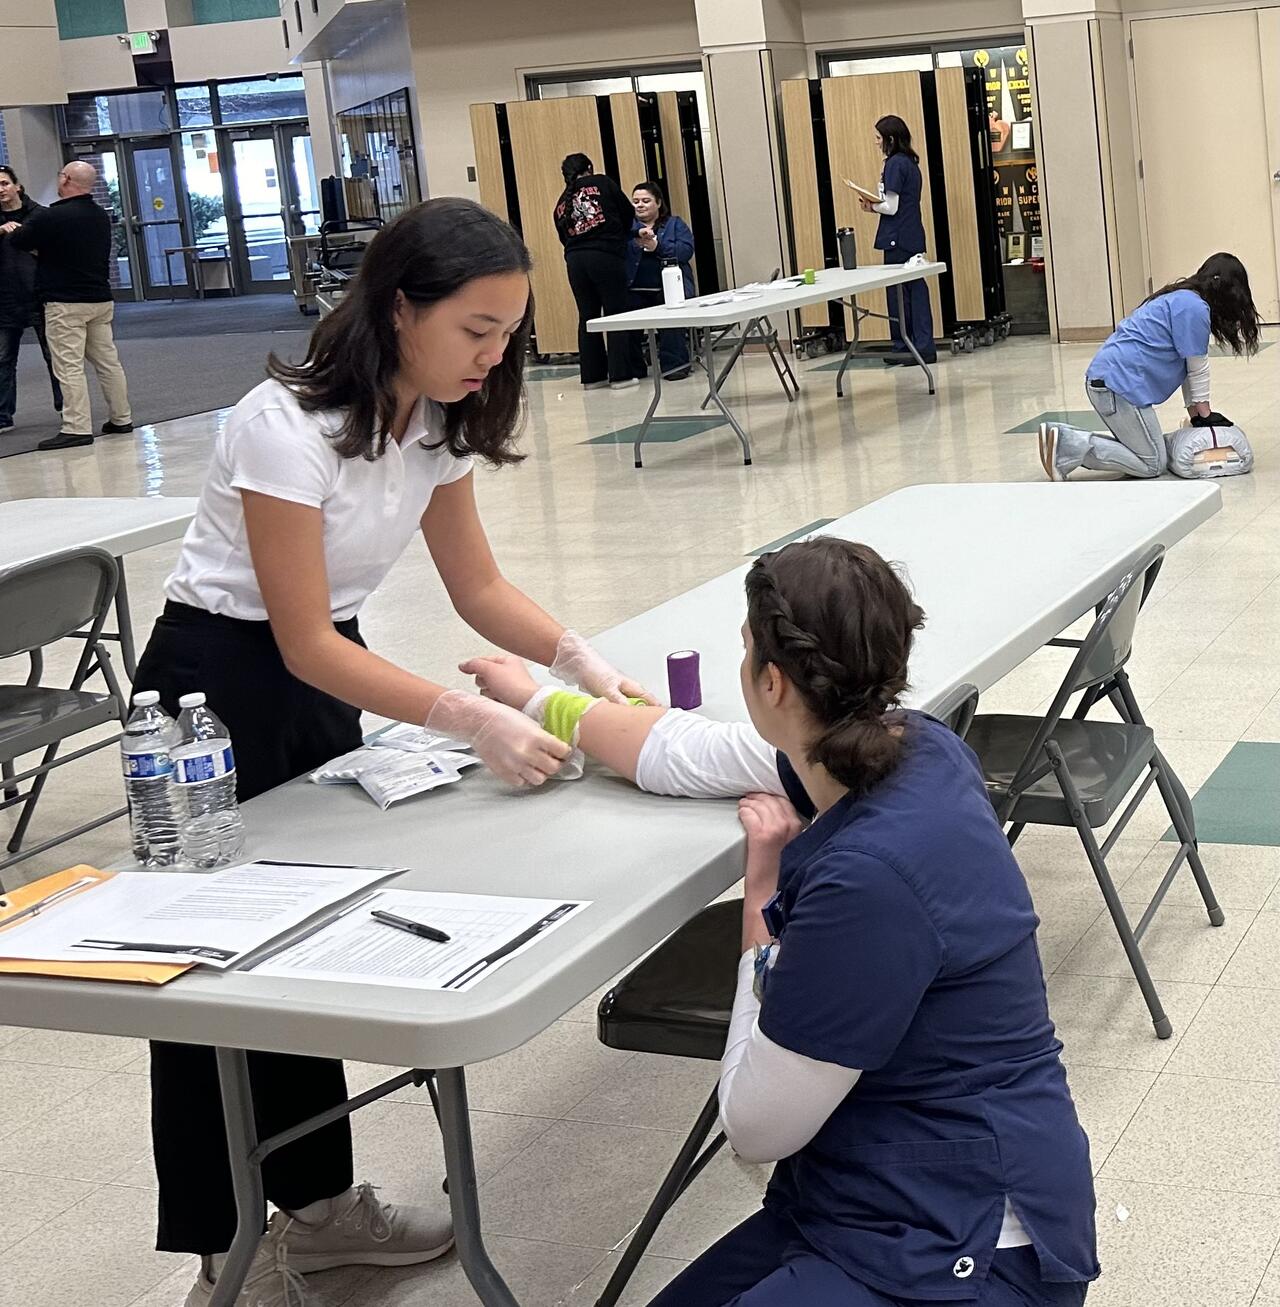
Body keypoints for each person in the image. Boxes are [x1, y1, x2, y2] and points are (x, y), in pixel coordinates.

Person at [129, 197, 652, 1307]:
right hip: (213, 688)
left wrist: (576, 659)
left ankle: (318, 1209)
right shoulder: (281, 425)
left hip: (316, 676)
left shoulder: (435, 418)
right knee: (209, 970)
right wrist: (472, 718)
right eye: (476, 328)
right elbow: (302, 639)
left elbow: (477, 586)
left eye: (509, 332)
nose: (493, 354)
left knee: (308, 940)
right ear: (401, 308)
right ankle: (222, 1254)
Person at [464, 537, 1100, 1307]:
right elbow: (679, 752)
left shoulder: (867, 880)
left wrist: (758, 904)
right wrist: (540, 698)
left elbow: (756, 1126)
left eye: (745, 650)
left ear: (771, 680)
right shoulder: (918, 745)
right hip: (884, 1183)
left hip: (968, 1243)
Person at [1038, 251, 1261, 481]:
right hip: (1119, 387)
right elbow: (1198, 368)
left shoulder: (1181, 298)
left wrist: (1196, 414)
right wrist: (1205, 413)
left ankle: (1065, 441)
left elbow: (1187, 367)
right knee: (1152, 463)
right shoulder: (1194, 308)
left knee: (1148, 453)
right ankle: (1066, 445)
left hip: (1111, 381)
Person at [7, 159, 132, 450]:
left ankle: (77, 427)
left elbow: (20, 241)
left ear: (65, 179)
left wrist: (13, 230)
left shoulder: (51, 216)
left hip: (65, 303)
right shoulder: (99, 215)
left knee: (68, 367)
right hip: (100, 299)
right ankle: (121, 417)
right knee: (108, 362)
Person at [553, 152, 638, 390]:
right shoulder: (602, 182)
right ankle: (620, 376)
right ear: (589, 167)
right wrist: (621, 235)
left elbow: (563, 236)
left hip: (575, 262)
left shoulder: (560, 204)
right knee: (616, 312)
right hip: (605, 255)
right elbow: (627, 212)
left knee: (587, 317)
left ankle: (592, 377)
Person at [857, 114, 935, 366]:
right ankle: (921, 345)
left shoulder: (894, 164)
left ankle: (906, 346)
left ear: (890, 139)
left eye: (878, 138)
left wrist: (871, 206)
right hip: (911, 234)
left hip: (898, 238)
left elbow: (891, 207)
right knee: (915, 290)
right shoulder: (910, 163)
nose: (876, 142)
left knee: (899, 295)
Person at [0, 164, 63, 433]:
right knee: (3, 358)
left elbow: (58, 250)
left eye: (4, 183)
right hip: (4, 298)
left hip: (40, 294)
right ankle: (3, 415)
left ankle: (67, 407)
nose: (0, 190)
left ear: (17, 186)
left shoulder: (40, 215)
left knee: (54, 355)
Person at [626, 179, 695, 380]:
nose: (640, 205)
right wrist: (636, 244)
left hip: (668, 288)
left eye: (645, 201)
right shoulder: (627, 228)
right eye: (636, 201)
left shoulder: (675, 224)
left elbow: (685, 251)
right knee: (624, 318)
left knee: (671, 315)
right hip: (635, 288)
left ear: (658, 203)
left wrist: (658, 247)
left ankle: (674, 367)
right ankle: (633, 369)